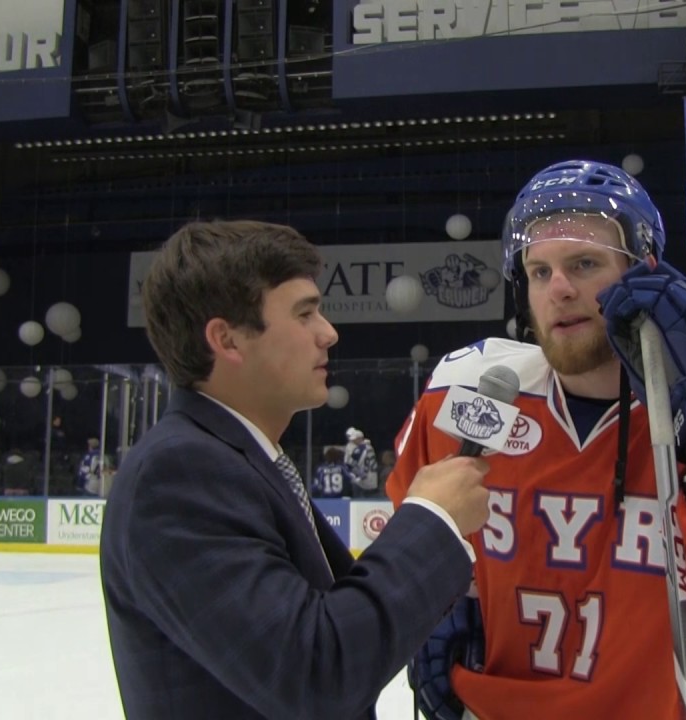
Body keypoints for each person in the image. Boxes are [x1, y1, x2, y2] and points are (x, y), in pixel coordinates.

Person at [387, 160, 686, 720]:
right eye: (539, 272)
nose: (558, 288)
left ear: (646, 272)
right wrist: (438, 607)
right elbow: (417, 541)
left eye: (583, 264)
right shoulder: (464, 398)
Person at [99, 220, 492, 719]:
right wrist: (433, 522)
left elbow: (342, 622)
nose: (328, 332)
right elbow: (317, 672)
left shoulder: (244, 459)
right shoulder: (177, 475)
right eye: (305, 313)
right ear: (228, 340)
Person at [344, 427, 380, 496]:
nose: (353, 441)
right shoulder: (369, 446)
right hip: (372, 478)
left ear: (360, 438)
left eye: (355, 440)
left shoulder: (362, 448)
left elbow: (348, 462)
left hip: (364, 481)